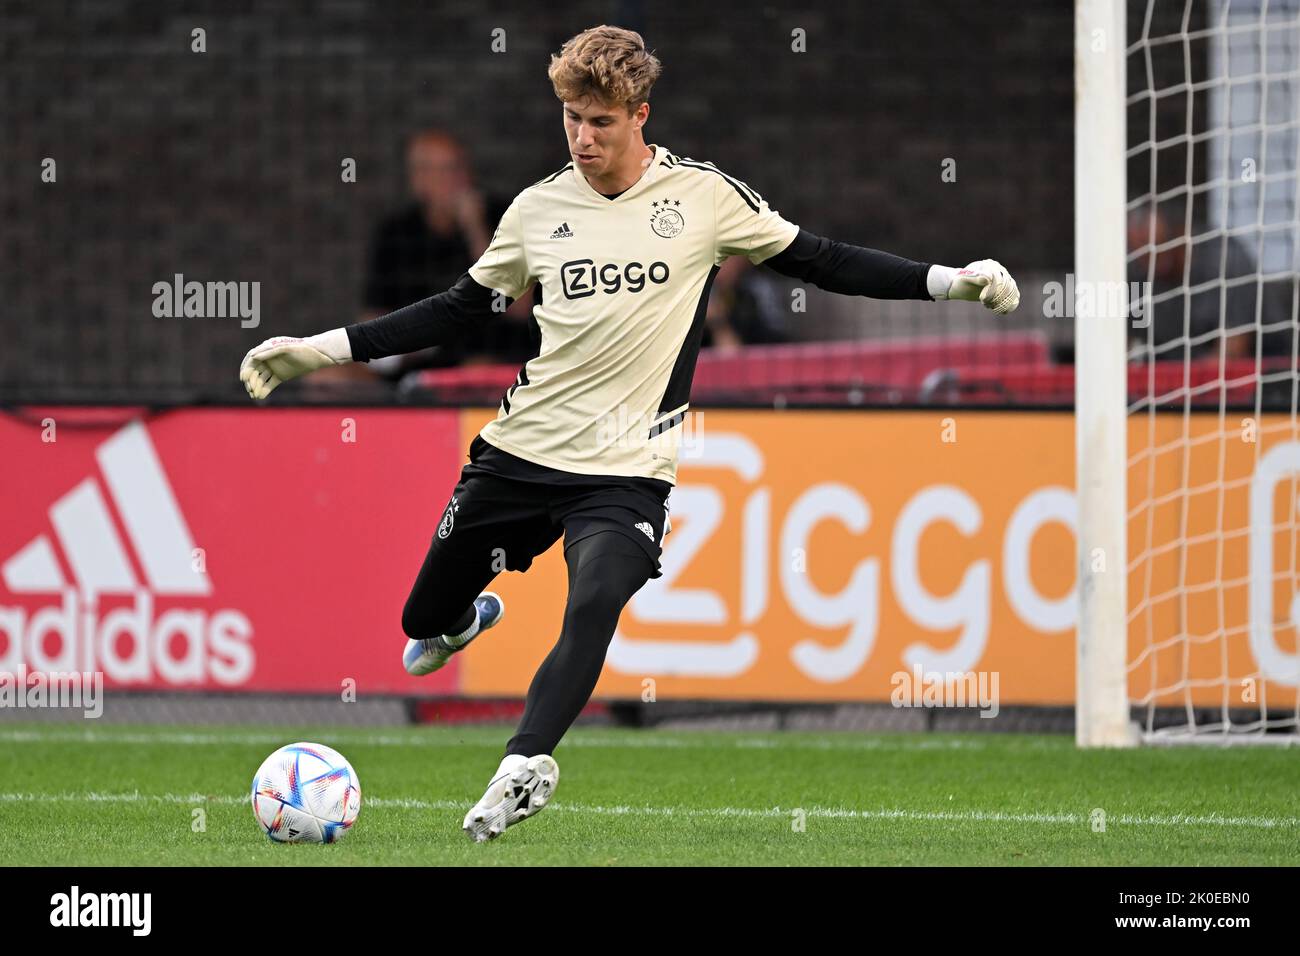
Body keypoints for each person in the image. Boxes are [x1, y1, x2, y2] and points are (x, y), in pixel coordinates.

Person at [238, 24, 1020, 842]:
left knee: (599, 595)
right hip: (519, 455)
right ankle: (463, 619)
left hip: (626, 468)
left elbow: (821, 259)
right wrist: (319, 350)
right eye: (571, 118)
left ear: (640, 115)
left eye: (601, 121)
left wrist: (948, 282)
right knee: (419, 621)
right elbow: (454, 309)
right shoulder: (538, 210)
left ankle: (523, 764)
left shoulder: (704, 198)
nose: (583, 136)